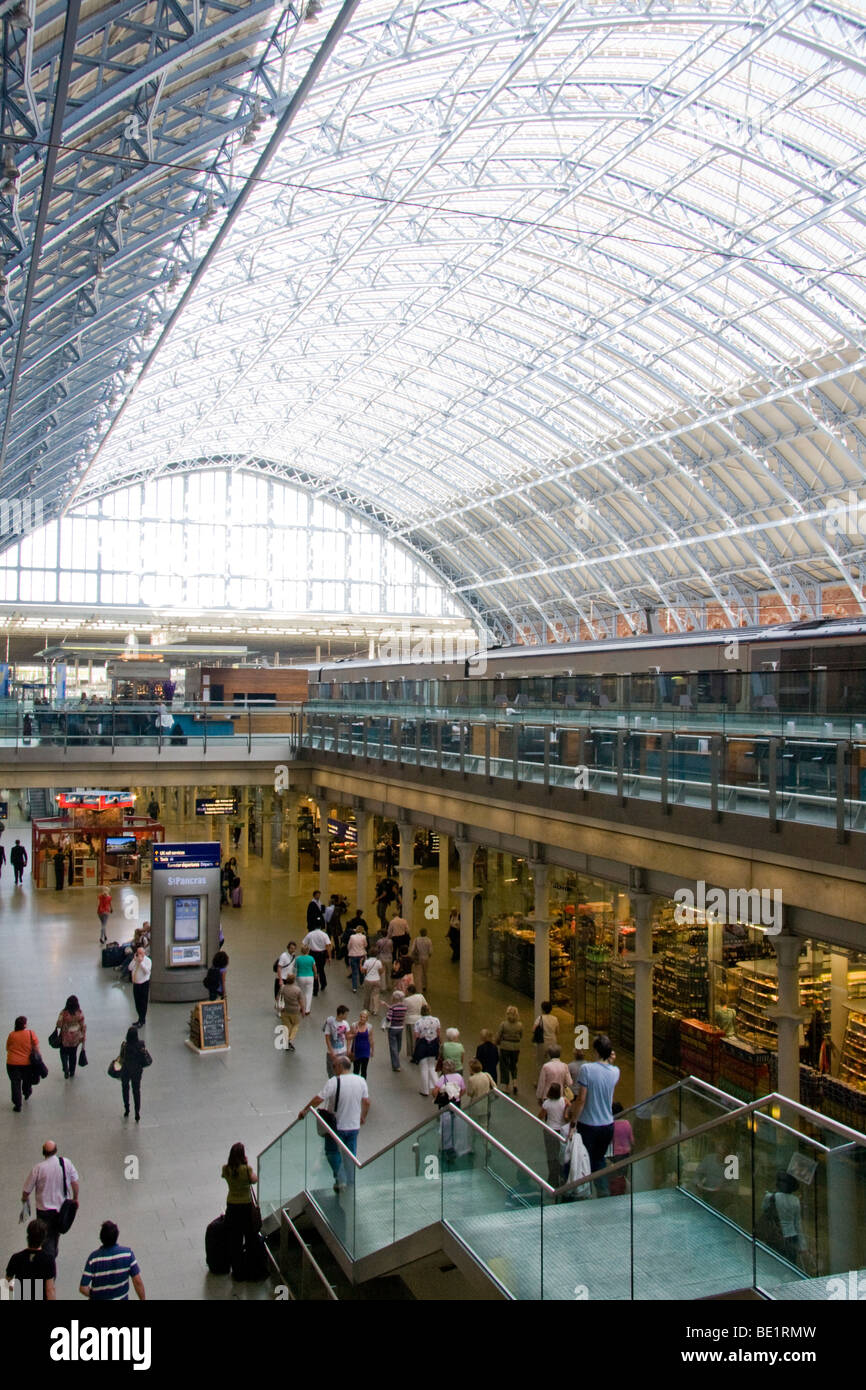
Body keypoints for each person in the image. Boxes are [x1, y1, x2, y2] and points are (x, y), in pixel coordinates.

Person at [299, 1055, 370, 1192]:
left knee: (331, 1151)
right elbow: (366, 1102)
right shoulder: (361, 1081)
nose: (333, 1069)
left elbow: (319, 1099)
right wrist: (363, 1117)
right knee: (350, 1154)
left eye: (334, 1066)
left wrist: (305, 1110)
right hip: (353, 1126)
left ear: (339, 1067)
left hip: (336, 1126)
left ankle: (340, 1177)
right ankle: (350, 1180)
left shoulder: (333, 1082)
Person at [568, 1033, 620, 1191]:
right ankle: (602, 1191)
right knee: (599, 1160)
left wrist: (573, 1123)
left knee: (584, 1160)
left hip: (588, 1124)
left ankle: (583, 1192)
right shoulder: (615, 1072)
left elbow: (581, 1099)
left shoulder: (587, 1069)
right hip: (607, 1124)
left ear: (596, 1051)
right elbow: (607, 1070)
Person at [21, 1140, 80, 1262]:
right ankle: (52, 1254)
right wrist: (75, 1199)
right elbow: (75, 1183)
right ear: (56, 1150)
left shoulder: (38, 1168)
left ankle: (49, 1262)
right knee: (55, 1234)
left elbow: (27, 1190)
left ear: (43, 1152)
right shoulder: (66, 1163)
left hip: (44, 1211)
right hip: (61, 1209)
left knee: (46, 1238)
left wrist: (24, 1199)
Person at [79, 1220, 146, 1301]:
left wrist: (95, 1296)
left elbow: (83, 1288)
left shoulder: (93, 1259)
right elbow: (138, 1282)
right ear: (116, 1236)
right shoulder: (127, 1254)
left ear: (101, 1237)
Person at [221, 1143, 259, 1280]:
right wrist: (246, 1164)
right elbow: (255, 1180)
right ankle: (250, 1269)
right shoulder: (246, 1169)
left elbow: (225, 1177)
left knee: (235, 1240)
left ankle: (237, 1271)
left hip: (231, 1206)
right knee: (249, 1237)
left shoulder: (226, 1169)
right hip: (246, 1207)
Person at [5, 1218, 56, 1300]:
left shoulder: (16, 1257)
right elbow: (49, 1290)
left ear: (28, 1236)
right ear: (43, 1239)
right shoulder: (48, 1260)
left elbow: (7, 1283)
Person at [761, 1171, 805, 1264]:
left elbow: (764, 1208)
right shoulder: (796, 1200)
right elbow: (797, 1224)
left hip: (775, 1235)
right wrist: (802, 1245)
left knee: (773, 1262)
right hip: (791, 1237)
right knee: (791, 1262)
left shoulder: (771, 1197)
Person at [539, 1082, 570, 1187]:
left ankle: (552, 1178)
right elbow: (570, 1109)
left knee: (551, 1154)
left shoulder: (547, 1103)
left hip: (550, 1130)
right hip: (561, 1131)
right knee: (561, 1153)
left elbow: (540, 1116)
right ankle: (562, 1174)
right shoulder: (564, 1101)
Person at [118, 1026, 152, 1121]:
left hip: (126, 1071)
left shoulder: (125, 1045)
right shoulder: (141, 1044)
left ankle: (127, 1108)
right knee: (136, 1090)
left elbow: (121, 1058)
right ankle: (137, 1112)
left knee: (125, 1088)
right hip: (137, 1071)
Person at [7, 1013, 38, 1111]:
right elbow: (36, 1046)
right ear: (24, 1025)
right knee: (27, 1080)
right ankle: (27, 1092)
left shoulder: (12, 1035)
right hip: (27, 1063)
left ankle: (18, 1104)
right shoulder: (30, 1033)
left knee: (15, 1083)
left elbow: (7, 1048)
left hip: (12, 1063)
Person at [413, 1005, 441, 1097]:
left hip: (422, 1046)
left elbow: (416, 1036)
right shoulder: (436, 1020)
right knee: (432, 1067)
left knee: (424, 1068)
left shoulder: (418, 1022)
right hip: (433, 1045)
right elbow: (438, 1033)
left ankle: (425, 1090)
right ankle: (438, 1088)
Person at [56, 995, 86, 1080]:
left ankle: (65, 1068)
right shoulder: (79, 1012)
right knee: (73, 1054)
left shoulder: (64, 1013)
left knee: (63, 1053)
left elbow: (59, 1024)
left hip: (65, 1037)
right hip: (75, 1038)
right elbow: (82, 1025)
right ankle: (72, 1071)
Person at [495, 1005, 523, 1094]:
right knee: (513, 1065)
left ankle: (506, 1085)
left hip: (505, 1046)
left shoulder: (503, 1024)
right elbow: (521, 1036)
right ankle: (515, 1082)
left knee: (504, 1065)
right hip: (516, 1047)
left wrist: (497, 1042)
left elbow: (499, 1035)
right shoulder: (520, 1025)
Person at [302, 919, 332, 996]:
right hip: (322, 954)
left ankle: (315, 989)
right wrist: (329, 957)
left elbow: (304, 943)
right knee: (321, 969)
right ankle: (323, 983)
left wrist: (305, 953)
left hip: (313, 954)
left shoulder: (310, 934)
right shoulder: (324, 935)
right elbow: (328, 946)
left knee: (314, 971)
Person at [278, 974, 304, 1051]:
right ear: (293, 980)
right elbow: (301, 1001)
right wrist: (303, 1009)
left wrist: (279, 1008)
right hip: (295, 1011)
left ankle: (287, 1042)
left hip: (285, 1010)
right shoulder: (297, 990)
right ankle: (290, 1039)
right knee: (295, 1025)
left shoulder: (283, 988)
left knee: (287, 1026)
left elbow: (278, 998)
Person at [323, 1004, 350, 1078]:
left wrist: (348, 1049)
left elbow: (347, 1037)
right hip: (332, 1053)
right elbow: (327, 1038)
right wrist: (331, 1051)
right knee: (331, 1072)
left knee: (341, 1072)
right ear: (341, 1014)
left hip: (342, 1052)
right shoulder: (330, 1023)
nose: (347, 1016)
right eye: (346, 1014)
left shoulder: (346, 1024)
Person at [128, 945, 152, 1026]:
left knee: (143, 1003)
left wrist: (141, 962)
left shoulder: (148, 961)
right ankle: (139, 1018)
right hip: (136, 984)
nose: (139, 954)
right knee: (137, 1002)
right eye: (138, 953)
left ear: (144, 953)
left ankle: (142, 1020)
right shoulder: (135, 960)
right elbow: (130, 968)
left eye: (141, 953)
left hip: (144, 984)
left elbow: (147, 972)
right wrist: (134, 961)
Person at [533, 1000, 559, 1072]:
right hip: (553, 1041)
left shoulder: (540, 1018)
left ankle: (541, 1079)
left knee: (540, 1062)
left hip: (542, 1042)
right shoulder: (555, 1019)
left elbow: (534, 1029)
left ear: (542, 1009)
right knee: (551, 1061)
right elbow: (557, 1031)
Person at [385, 990, 407, 1071]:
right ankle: (396, 1057)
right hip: (400, 1027)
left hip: (393, 1028)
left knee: (393, 1046)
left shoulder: (392, 1007)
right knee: (398, 1044)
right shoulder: (404, 1007)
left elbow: (388, 1018)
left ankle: (396, 1065)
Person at [402, 984, 427, 1053]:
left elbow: (403, 1010)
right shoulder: (420, 996)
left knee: (410, 1038)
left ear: (408, 991)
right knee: (420, 1036)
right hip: (420, 1019)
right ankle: (420, 1051)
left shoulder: (406, 1000)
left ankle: (413, 1052)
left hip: (410, 1020)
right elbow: (425, 1006)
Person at [349, 1010, 373, 1078]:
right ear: (359, 1017)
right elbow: (348, 1037)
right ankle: (355, 1085)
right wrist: (354, 1034)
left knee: (364, 1070)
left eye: (364, 1017)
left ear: (367, 1019)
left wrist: (372, 1050)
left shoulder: (369, 1027)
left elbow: (371, 1039)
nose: (362, 1018)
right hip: (356, 1051)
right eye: (361, 1017)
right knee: (356, 1070)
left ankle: (363, 1086)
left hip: (365, 1051)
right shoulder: (354, 1025)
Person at [294, 947, 317, 1016]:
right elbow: (314, 967)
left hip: (300, 977)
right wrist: (315, 975)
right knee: (309, 993)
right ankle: (307, 1010)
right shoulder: (311, 958)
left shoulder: (298, 958)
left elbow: (295, 968)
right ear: (308, 951)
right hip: (310, 977)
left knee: (300, 993)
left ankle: (301, 1007)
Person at [361, 951, 384, 1016]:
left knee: (367, 995)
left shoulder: (366, 962)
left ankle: (366, 1009)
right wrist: (377, 975)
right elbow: (381, 971)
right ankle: (375, 1010)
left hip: (368, 980)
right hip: (377, 980)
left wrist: (360, 964)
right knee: (376, 995)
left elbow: (363, 971)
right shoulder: (378, 962)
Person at [346, 922, 367, 993]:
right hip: (361, 955)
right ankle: (361, 982)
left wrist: (350, 951)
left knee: (354, 971)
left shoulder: (352, 937)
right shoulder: (364, 937)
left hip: (353, 955)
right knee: (361, 970)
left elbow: (349, 946)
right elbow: (365, 945)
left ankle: (354, 987)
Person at [410, 927, 433, 993]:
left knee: (418, 973)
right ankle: (424, 986)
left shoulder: (416, 939)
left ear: (420, 933)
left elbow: (412, 950)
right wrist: (428, 956)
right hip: (425, 958)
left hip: (418, 958)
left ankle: (418, 987)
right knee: (425, 973)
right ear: (426, 933)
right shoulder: (428, 940)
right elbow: (430, 951)